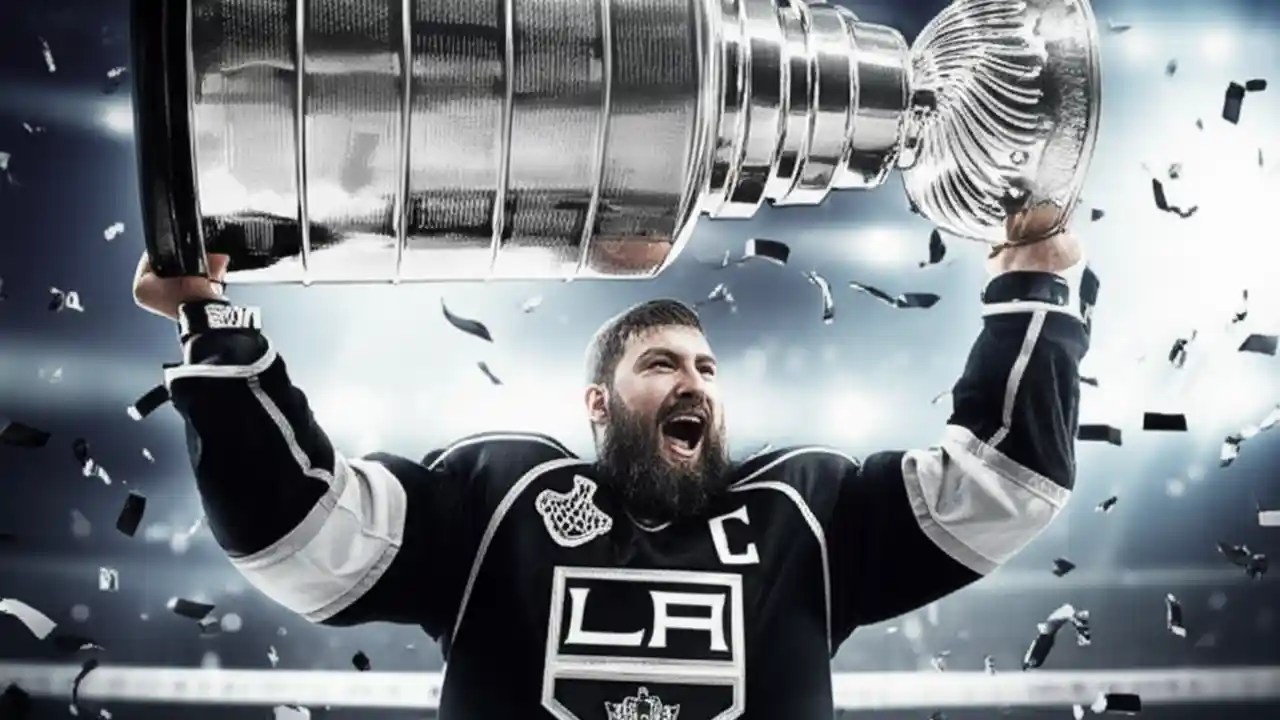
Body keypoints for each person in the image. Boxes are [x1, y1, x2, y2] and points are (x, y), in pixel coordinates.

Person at [133, 208, 1098, 720]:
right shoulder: (498, 495)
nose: (695, 382)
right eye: (662, 365)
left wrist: (1034, 284)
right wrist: (212, 324)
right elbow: (304, 535)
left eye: (707, 368)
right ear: (598, 403)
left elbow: (1001, 487)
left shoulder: (807, 510)